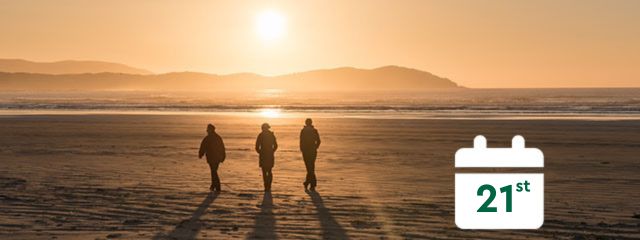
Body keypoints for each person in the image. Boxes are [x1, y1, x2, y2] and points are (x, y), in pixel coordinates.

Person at [198, 124, 226, 192]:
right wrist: (223, 156)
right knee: (214, 171)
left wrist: (201, 154)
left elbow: (203, 147)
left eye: (208, 129)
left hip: (213, 158)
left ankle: (217, 187)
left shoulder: (209, 138)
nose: (207, 130)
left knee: (214, 172)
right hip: (216, 158)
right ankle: (213, 185)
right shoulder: (217, 137)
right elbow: (222, 148)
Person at [300, 118, 321, 191]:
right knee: (311, 167)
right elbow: (318, 141)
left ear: (306, 123)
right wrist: (315, 147)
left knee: (309, 168)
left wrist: (302, 149)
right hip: (312, 151)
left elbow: (301, 142)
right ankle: (308, 182)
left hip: (306, 151)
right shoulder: (314, 131)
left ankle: (312, 183)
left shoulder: (303, 131)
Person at [255, 123, 278, 191]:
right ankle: (268, 185)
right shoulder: (271, 135)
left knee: (265, 172)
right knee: (268, 171)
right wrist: (272, 151)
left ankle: (267, 186)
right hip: (269, 155)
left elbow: (257, 146)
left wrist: (260, 152)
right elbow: (275, 145)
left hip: (264, 155)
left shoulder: (261, 135)